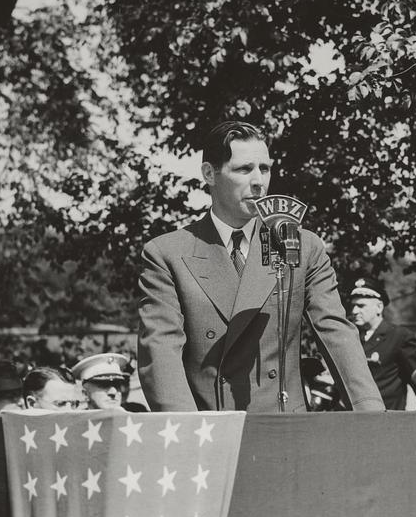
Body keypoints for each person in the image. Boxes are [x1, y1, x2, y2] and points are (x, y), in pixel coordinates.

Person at [137, 120, 384, 413]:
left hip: (284, 429)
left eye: (264, 169)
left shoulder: (302, 246)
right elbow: (161, 353)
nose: (259, 182)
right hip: (213, 431)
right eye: (243, 169)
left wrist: (372, 413)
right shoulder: (167, 253)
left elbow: (335, 333)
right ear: (209, 174)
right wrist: (190, 436)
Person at [347, 276, 416, 410]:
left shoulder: (400, 338)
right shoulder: (350, 338)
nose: (354, 311)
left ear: (379, 307)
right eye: (353, 305)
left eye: (361, 305)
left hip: (386, 420)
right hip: (353, 419)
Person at [72, 353, 147, 411]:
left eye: (117, 385)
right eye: (104, 385)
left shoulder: (135, 420)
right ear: (85, 394)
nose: (113, 392)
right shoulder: (75, 426)